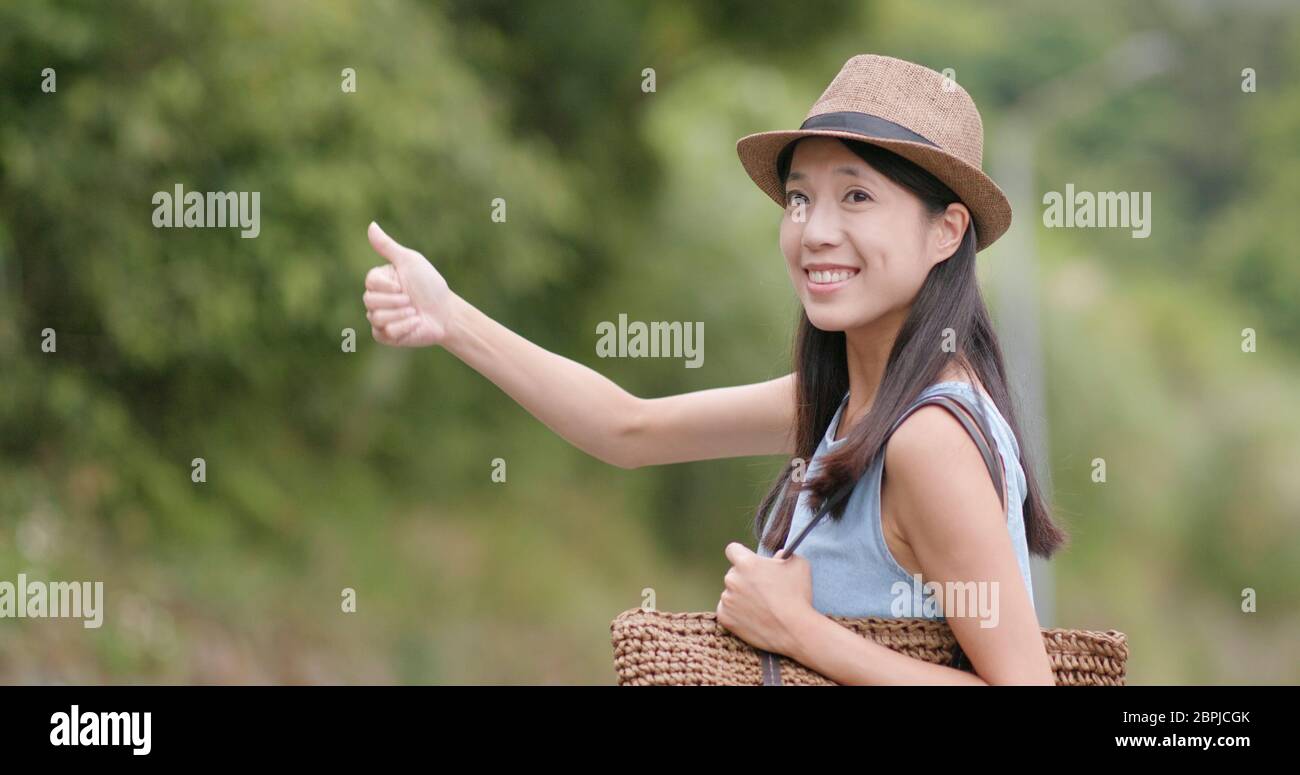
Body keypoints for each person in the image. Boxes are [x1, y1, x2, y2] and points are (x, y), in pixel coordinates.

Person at [361, 54, 1067, 685]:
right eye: (800, 197)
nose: (815, 230)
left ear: (946, 230)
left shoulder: (928, 439)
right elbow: (627, 428)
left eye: (857, 196)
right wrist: (451, 318)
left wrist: (798, 632)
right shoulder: (851, 404)